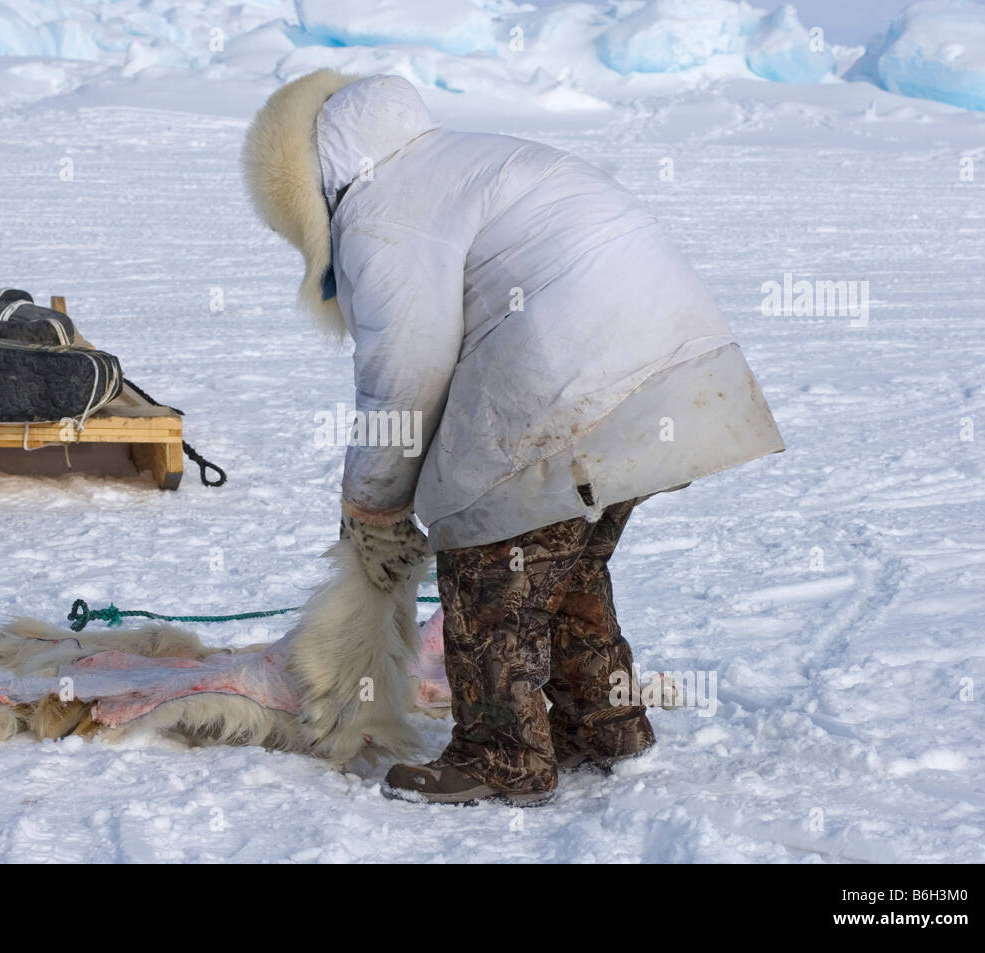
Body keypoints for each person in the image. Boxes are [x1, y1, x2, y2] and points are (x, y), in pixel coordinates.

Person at [242, 70, 784, 806]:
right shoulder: (464, 158)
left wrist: (371, 507)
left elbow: (406, 367)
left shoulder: (378, 208)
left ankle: (503, 754)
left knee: (488, 555)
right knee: (567, 565)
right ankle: (603, 723)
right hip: (680, 366)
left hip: (576, 372)